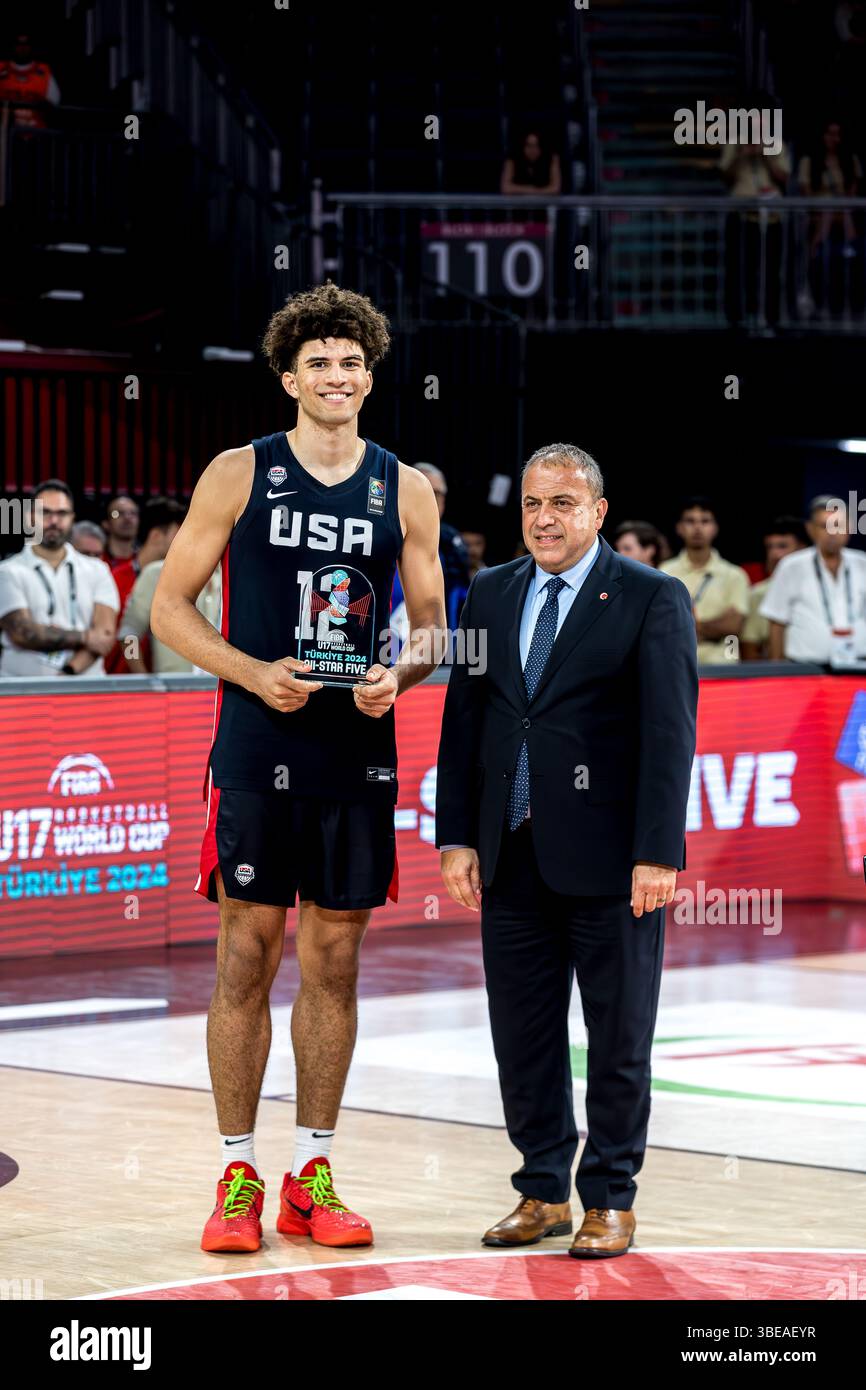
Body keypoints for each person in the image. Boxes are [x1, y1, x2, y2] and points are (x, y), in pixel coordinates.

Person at [150, 283, 445, 1254]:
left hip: (356, 750)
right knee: (246, 954)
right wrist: (248, 671)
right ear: (289, 377)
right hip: (256, 743)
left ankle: (310, 1171)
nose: (335, 375)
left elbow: (437, 630)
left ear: (370, 375)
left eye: (350, 361)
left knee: (335, 960)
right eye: (317, 362)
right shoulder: (238, 472)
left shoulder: (402, 486)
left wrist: (394, 674)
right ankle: (235, 1172)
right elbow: (169, 608)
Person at [435, 443, 697, 1257]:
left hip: (613, 862)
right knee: (523, 1033)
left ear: (597, 512)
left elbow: (668, 735)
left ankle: (610, 1195)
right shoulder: (491, 590)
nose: (545, 519)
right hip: (509, 854)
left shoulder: (652, 596)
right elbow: (465, 719)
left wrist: (658, 853)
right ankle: (542, 1189)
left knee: (619, 1035)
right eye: (533, 506)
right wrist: (455, 835)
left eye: (563, 504)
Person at [0, 479, 119, 677]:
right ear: (30, 517)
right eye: (45, 512)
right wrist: (86, 636)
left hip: (86, 690)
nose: (54, 521)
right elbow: (24, 633)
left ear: (72, 518)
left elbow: (105, 637)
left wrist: (67, 674)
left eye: (62, 513)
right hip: (23, 691)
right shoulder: (7, 572)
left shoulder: (98, 569)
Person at [759, 495, 866, 664]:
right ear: (810, 529)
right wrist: (777, 668)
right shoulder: (791, 566)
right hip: (806, 668)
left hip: (859, 668)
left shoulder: (863, 564)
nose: (832, 533)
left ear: (850, 527)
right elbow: (777, 622)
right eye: (824, 526)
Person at [660, 497, 750, 664]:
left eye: (705, 521)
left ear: (715, 528)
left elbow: (733, 626)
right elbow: (661, 624)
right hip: (676, 664)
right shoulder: (665, 571)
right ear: (679, 528)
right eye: (690, 521)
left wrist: (686, 626)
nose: (697, 527)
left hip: (723, 665)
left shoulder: (734, 575)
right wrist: (715, 625)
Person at [107, 498, 185, 674]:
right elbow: (127, 636)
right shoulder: (116, 579)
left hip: (163, 685)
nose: (184, 540)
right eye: (177, 533)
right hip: (119, 683)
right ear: (156, 536)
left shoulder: (179, 579)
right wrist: (141, 676)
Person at [740, 516, 810, 659]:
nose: (774, 554)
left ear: (803, 549)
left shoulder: (825, 588)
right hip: (780, 675)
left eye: (782, 546)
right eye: (769, 547)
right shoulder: (757, 594)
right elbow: (750, 649)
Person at [0, 33, 60, 130]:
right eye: (19, 44)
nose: (22, 48)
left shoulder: (44, 72)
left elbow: (54, 105)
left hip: (37, 136)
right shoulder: (1, 69)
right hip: (5, 135)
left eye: (26, 44)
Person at [500, 130, 562, 196]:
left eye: (536, 146)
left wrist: (535, 192)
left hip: (544, 203)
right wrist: (529, 190)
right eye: (529, 146)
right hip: (518, 203)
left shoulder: (552, 158)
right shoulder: (512, 159)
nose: (532, 150)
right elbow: (505, 188)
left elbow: (556, 188)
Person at [101, 494, 140, 571]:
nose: (127, 518)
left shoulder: (145, 558)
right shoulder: (97, 558)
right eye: (118, 513)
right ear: (106, 523)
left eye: (133, 513)